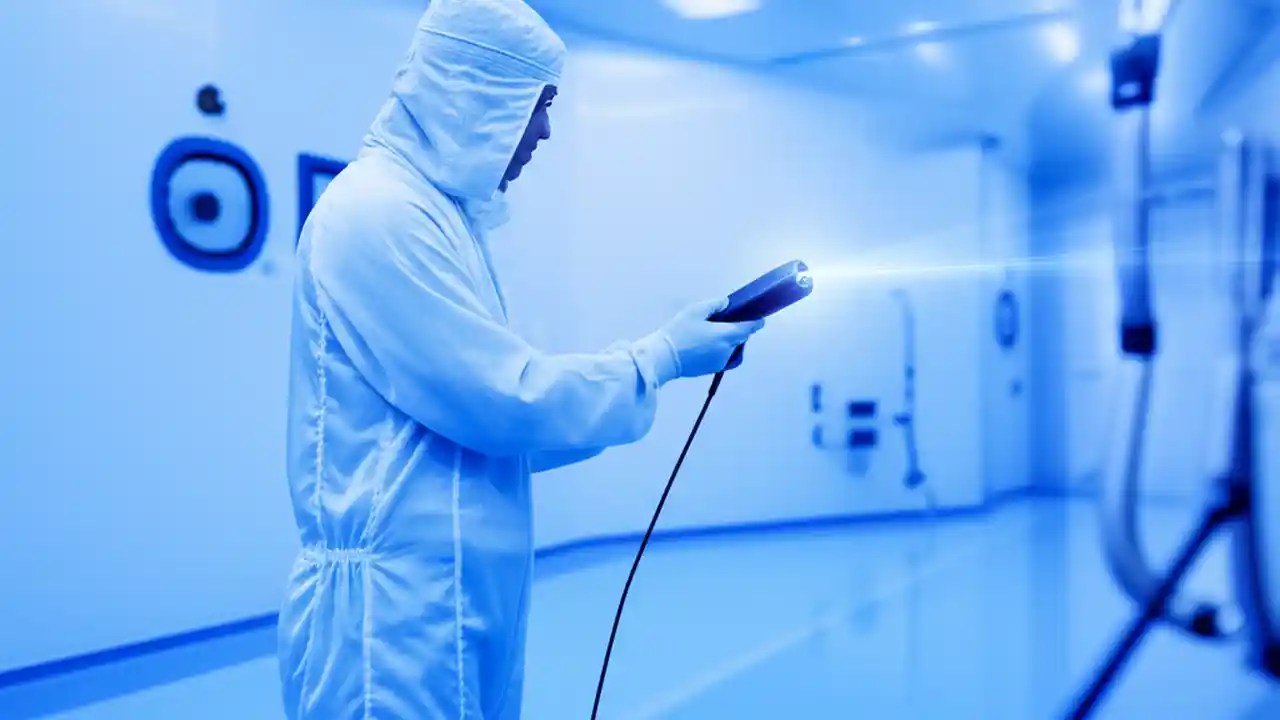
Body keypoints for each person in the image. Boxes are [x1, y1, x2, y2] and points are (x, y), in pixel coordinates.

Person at [276, 0, 764, 717]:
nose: (542, 131)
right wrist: (654, 359)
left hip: (442, 600)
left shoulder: (438, 218)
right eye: (538, 104)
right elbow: (502, 399)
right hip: (391, 630)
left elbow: (481, 433)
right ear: (475, 93)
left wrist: (636, 374)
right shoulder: (378, 213)